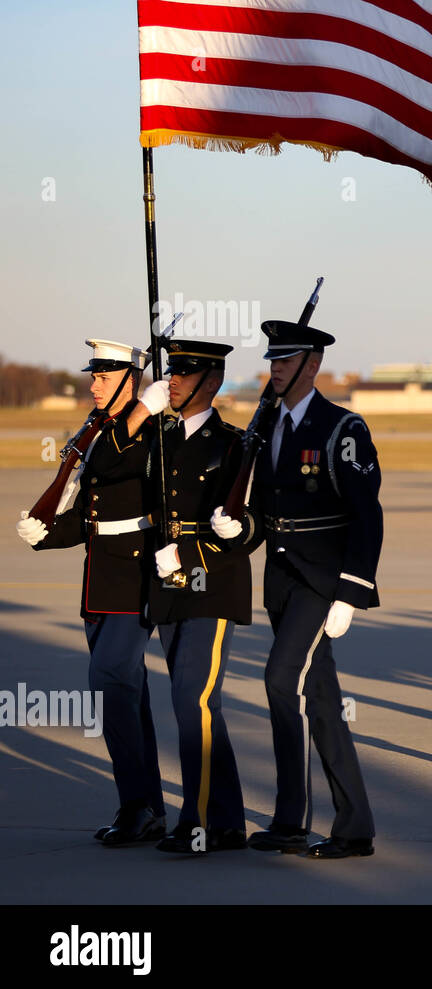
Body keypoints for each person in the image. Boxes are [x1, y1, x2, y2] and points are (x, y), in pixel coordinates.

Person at [218, 318, 383, 856]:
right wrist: (238, 530)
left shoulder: (342, 427)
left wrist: (351, 591)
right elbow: (265, 514)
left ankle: (295, 815)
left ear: (312, 366)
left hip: (323, 581)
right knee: (320, 699)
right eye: (273, 361)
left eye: (286, 362)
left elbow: (366, 514)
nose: (276, 369)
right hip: (282, 581)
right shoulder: (265, 430)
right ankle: (348, 826)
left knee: (280, 681)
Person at [16, 340, 167, 846]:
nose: (93, 384)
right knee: (131, 697)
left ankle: (135, 804)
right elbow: (91, 515)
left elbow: (127, 470)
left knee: (109, 684)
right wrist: (48, 534)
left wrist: (144, 409)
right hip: (98, 583)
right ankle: (150, 807)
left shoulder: (151, 433)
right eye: (94, 375)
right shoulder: (99, 429)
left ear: (131, 379)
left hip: (135, 579)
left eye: (104, 377)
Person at [131, 339, 249, 854]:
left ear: (212, 383)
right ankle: (227, 822)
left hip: (210, 583)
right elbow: (101, 464)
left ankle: (195, 823)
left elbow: (251, 526)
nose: (171, 381)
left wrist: (215, 537)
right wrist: (140, 412)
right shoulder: (156, 436)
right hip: (165, 583)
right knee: (204, 708)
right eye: (171, 371)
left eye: (184, 374)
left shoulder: (236, 444)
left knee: (191, 700)